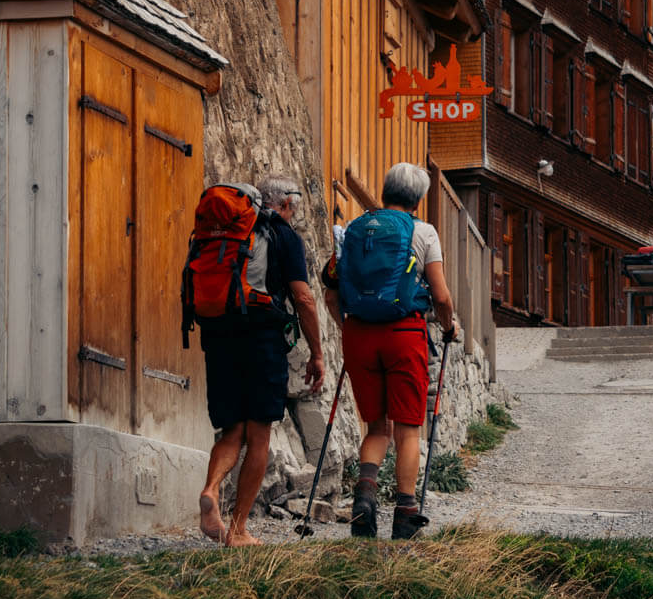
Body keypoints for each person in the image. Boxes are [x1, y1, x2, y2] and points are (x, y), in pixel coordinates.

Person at [322, 163, 461, 540]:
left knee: (377, 426)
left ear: (385, 192)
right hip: (404, 334)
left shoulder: (354, 230)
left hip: (359, 334)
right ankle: (404, 514)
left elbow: (330, 292)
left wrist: (346, 327)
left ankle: (363, 502)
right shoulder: (423, 232)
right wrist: (449, 327)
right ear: (418, 198)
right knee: (409, 429)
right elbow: (442, 296)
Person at [197, 178, 325, 547]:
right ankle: (237, 530)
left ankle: (210, 489)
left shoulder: (221, 234)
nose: (294, 214)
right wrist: (316, 354)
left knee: (231, 430)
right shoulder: (283, 236)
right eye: (294, 208)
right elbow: (303, 298)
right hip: (261, 339)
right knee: (258, 435)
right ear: (284, 204)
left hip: (219, 335)